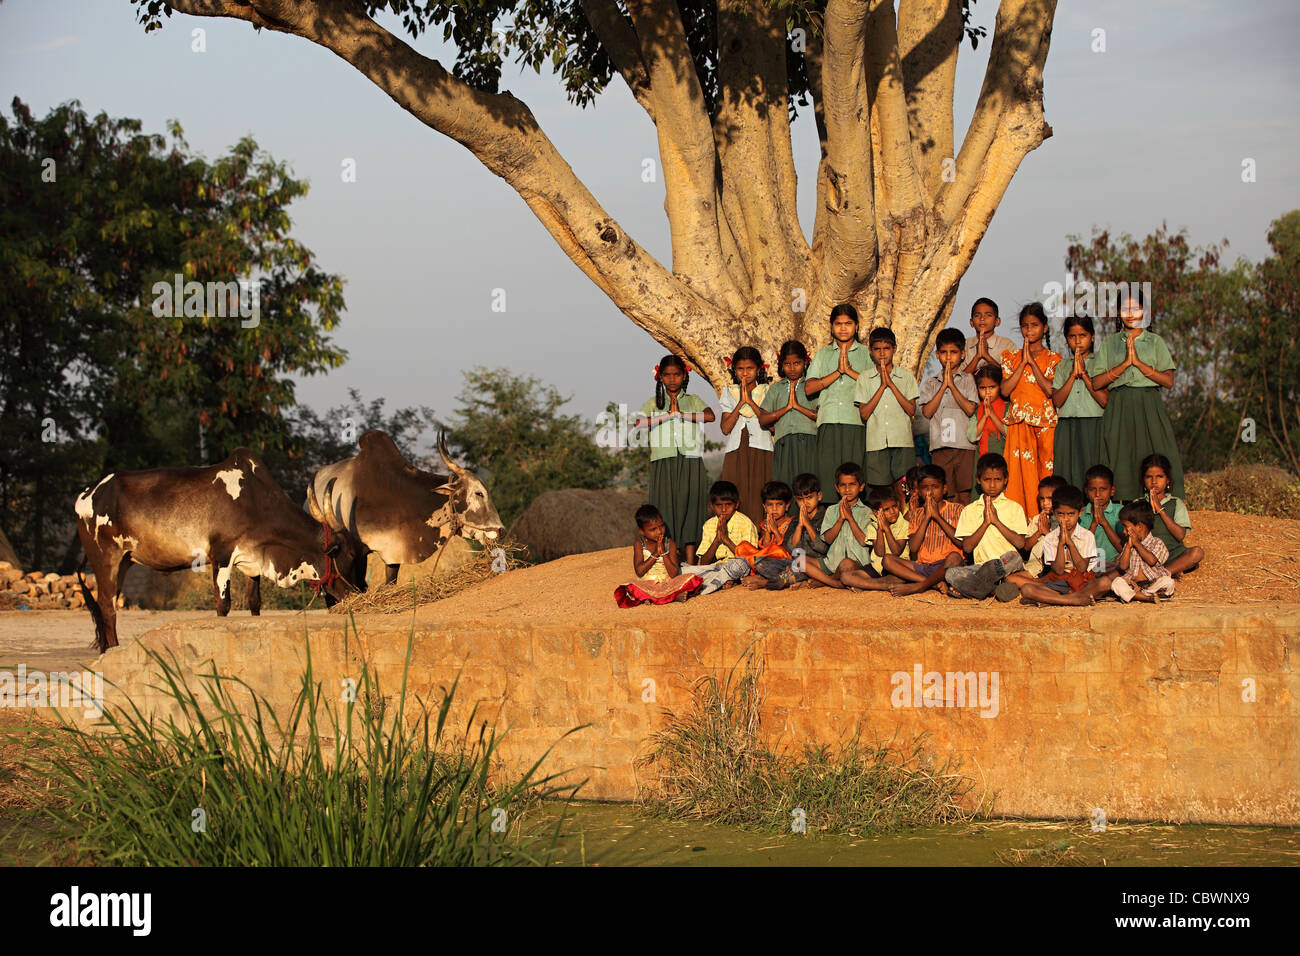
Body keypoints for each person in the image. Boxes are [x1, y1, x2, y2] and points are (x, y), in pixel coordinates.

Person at [1093, 290, 1185, 501]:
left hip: (1148, 404)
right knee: (1119, 454)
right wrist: (1124, 364)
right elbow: (1097, 382)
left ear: (1145, 312)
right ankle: (1120, 503)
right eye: (1125, 309)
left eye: (1136, 308)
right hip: (1119, 405)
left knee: (1155, 453)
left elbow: (1168, 381)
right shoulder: (1110, 343)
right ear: (1118, 312)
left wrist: (1139, 364)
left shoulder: (1155, 342)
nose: (1131, 313)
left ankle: (1162, 503)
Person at [635, 355, 715, 562]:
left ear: (684, 376)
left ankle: (690, 560)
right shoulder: (653, 403)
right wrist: (668, 416)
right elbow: (638, 423)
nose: (672, 379)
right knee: (665, 507)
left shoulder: (693, 400)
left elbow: (710, 415)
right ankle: (668, 558)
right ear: (660, 377)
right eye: (667, 375)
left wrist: (682, 415)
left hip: (690, 459)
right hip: (663, 460)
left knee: (691, 504)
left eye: (677, 374)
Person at [805, 304, 871, 505]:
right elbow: (809, 388)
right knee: (828, 475)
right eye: (838, 324)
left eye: (848, 324)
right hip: (828, 421)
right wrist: (837, 373)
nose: (843, 328)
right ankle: (829, 521)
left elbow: (874, 386)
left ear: (857, 326)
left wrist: (849, 371)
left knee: (854, 475)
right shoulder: (824, 354)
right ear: (831, 327)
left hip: (856, 421)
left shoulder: (866, 353)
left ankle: (857, 520)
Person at [1000, 302, 1062, 515]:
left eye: (1034, 325)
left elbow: (1050, 390)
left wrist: (1032, 363)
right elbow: (1006, 390)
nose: (1029, 330)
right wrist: (1022, 362)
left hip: (1046, 427)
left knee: (1045, 477)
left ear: (1044, 327)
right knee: (1018, 481)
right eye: (1025, 326)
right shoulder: (1010, 357)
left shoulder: (1054, 359)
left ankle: (1047, 522)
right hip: (1019, 425)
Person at [945, 453, 1029, 599]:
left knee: (1014, 557)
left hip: (1008, 565)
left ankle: (980, 588)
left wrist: (996, 521)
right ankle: (993, 588)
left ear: (1005, 480)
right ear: (978, 480)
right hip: (981, 567)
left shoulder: (1014, 507)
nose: (992, 485)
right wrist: (985, 523)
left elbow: (1021, 543)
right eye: (987, 480)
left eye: (997, 479)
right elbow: (967, 547)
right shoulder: (970, 510)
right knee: (951, 574)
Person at [854, 327, 920, 498]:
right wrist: (882, 386)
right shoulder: (865, 378)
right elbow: (864, 414)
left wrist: (891, 384)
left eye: (886, 348)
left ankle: (905, 524)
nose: (882, 354)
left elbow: (911, 409)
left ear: (894, 349)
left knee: (903, 489)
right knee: (881, 491)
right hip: (876, 442)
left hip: (902, 440)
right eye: (877, 349)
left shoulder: (906, 377)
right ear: (871, 351)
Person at [1015, 485, 1107, 606]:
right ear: (1054, 513)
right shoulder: (1050, 538)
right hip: (1059, 582)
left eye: (1070, 514)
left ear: (1080, 513)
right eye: (1060, 514)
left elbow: (1082, 568)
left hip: (1083, 581)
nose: (1065, 519)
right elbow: (1058, 570)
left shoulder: (1087, 536)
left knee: (1105, 583)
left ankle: (1053, 600)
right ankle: (1072, 600)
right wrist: (1060, 543)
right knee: (1027, 589)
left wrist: (1070, 543)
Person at [751, 474, 845, 590]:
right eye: (800, 499)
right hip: (796, 563)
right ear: (796, 500)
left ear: (819, 496)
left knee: (796, 568)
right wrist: (800, 525)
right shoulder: (795, 521)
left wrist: (807, 524)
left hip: (817, 564)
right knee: (761, 563)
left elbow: (822, 548)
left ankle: (769, 582)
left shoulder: (826, 516)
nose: (805, 503)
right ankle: (803, 580)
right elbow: (790, 548)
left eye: (809, 497)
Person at [883, 464, 964, 596]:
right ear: (919, 492)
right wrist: (926, 517)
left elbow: (961, 543)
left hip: (947, 567)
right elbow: (914, 548)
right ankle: (932, 583)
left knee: (955, 557)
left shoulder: (957, 509)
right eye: (925, 488)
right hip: (924, 567)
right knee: (887, 560)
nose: (930, 492)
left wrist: (937, 516)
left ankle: (919, 586)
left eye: (935, 487)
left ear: (944, 489)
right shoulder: (916, 514)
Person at [920, 329, 978, 504]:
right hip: (940, 446)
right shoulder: (931, 383)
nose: (948, 357)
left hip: (964, 445)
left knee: (965, 492)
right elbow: (927, 412)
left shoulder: (968, 380)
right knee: (947, 493)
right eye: (944, 352)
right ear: (937, 354)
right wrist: (943, 385)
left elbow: (970, 409)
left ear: (962, 354)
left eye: (953, 352)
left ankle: (967, 529)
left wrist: (952, 386)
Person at [1052, 314, 1108, 490]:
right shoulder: (1062, 366)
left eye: (1082, 336)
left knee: (1092, 472)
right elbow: (1058, 401)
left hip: (1094, 423)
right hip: (1067, 425)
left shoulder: (1100, 362)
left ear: (1092, 337)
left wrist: (1084, 374)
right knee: (1068, 473)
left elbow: (1104, 400)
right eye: (1072, 336)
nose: (1077, 341)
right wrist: (1072, 376)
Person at [718, 346, 773, 525]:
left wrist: (750, 402)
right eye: (740, 369)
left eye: (749, 368)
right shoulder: (729, 392)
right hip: (736, 450)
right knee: (736, 492)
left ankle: (760, 542)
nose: (745, 373)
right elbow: (725, 428)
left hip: (762, 449)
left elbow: (771, 426)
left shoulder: (767, 391)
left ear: (758, 369)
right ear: (734, 370)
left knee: (760, 493)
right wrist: (741, 402)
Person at [758, 341, 819, 497]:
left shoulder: (811, 385)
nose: (792, 368)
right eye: (787, 364)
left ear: (805, 362)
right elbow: (763, 419)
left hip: (809, 444)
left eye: (797, 363)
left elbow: (821, 415)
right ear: (781, 364)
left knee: (809, 486)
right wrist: (785, 409)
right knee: (785, 487)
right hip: (784, 445)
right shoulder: (777, 388)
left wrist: (798, 407)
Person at [614, 505, 704, 607]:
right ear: (642, 531)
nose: (659, 531)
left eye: (661, 526)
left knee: (692, 579)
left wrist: (663, 552)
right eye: (653, 529)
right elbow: (639, 571)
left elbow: (674, 573)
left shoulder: (670, 544)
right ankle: (670, 597)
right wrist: (656, 553)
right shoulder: (639, 544)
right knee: (631, 586)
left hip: (668, 582)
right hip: (647, 584)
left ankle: (651, 599)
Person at [678, 481, 757, 595]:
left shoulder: (746, 523)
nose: (724, 510)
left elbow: (751, 560)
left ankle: (703, 588)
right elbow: (703, 562)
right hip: (716, 568)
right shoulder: (709, 525)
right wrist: (717, 540)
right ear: (711, 505)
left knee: (738, 564)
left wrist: (726, 539)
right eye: (719, 505)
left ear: (737, 504)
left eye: (728, 505)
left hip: (737, 566)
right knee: (683, 570)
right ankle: (721, 580)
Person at [1140, 453, 1204, 576]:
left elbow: (1180, 535)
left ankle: (1162, 574)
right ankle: (1162, 573)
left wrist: (1160, 509)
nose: (1154, 481)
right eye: (1149, 477)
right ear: (1143, 480)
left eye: (1159, 476)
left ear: (1167, 479)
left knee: (1197, 553)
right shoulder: (1138, 504)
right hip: (1148, 556)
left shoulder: (1175, 503)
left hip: (1173, 554)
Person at [842, 485, 912, 591]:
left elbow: (896, 551)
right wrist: (880, 529)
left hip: (897, 568)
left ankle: (866, 585)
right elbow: (879, 552)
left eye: (894, 506)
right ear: (876, 513)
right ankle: (881, 585)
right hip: (877, 568)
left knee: (900, 578)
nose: (892, 512)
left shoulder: (904, 524)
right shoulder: (873, 526)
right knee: (845, 577)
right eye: (886, 509)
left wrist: (887, 530)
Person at [819, 462, 876, 587]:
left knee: (846, 564)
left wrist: (850, 518)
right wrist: (840, 519)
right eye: (843, 485)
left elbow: (863, 541)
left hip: (856, 565)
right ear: (837, 487)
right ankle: (835, 579)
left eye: (852, 484)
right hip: (832, 564)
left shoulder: (866, 512)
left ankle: (829, 581)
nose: (847, 489)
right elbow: (827, 539)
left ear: (861, 487)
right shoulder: (832, 510)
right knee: (800, 561)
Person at [1108, 500, 1177, 603]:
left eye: (1126, 527)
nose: (1124, 531)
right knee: (1116, 583)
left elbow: (1151, 561)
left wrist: (1137, 544)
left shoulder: (1157, 543)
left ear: (1139, 526)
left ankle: (1141, 596)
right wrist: (1127, 547)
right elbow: (1122, 566)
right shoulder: (1128, 545)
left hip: (1153, 584)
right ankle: (1146, 598)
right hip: (1134, 585)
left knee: (1168, 582)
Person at [737, 480, 795, 586]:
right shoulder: (764, 524)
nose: (774, 509)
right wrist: (768, 532)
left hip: (783, 563)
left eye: (779, 504)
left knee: (777, 550)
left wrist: (776, 531)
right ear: (764, 507)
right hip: (764, 559)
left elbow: (787, 550)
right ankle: (759, 569)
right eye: (770, 505)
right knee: (742, 546)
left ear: (787, 506)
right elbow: (765, 548)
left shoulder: (792, 523)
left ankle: (760, 574)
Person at [966, 365, 1008, 499]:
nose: (987, 392)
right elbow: (972, 436)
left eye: (992, 387)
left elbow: (1008, 432)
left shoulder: (1008, 407)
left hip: (1003, 455)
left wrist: (993, 415)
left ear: (999, 386)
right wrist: (985, 415)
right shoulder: (977, 410)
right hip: (982, 459)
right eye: (983, 388)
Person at [1021, 475, 1067, 582]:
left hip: (1055, 569)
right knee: (1010, 578)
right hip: (1034, 568)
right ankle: (1037, 584)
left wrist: (1047, 532)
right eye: (1042, 499)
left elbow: (1064, 547)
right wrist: (1039, 531)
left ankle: (1037, 585)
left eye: (1050, 499)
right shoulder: (1038, 519)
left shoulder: (1065, 520)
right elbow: (1026, 546)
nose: (1045, 503)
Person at [1081, 464, 1124, 571]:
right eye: (1092, 489)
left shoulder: (1120, 512)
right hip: (1089, 568)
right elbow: (1080, 550)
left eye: (1103, 489)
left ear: (1112, 491)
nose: (1098, 494)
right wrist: (1094, 524)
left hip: (1114, 565)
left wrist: (1104, 522)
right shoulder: (1080, 514)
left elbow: (1122, 548)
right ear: (1086, 491)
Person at [962, 297, 1017, 374]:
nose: (982, 318)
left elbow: (1009, 377)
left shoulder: (1007, 345)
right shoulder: (964, 345)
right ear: (971, 322)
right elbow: (959, 381)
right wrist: (977, 357)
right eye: (977, 315)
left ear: (997, 321)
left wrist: (986, 356)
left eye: (988, 315)